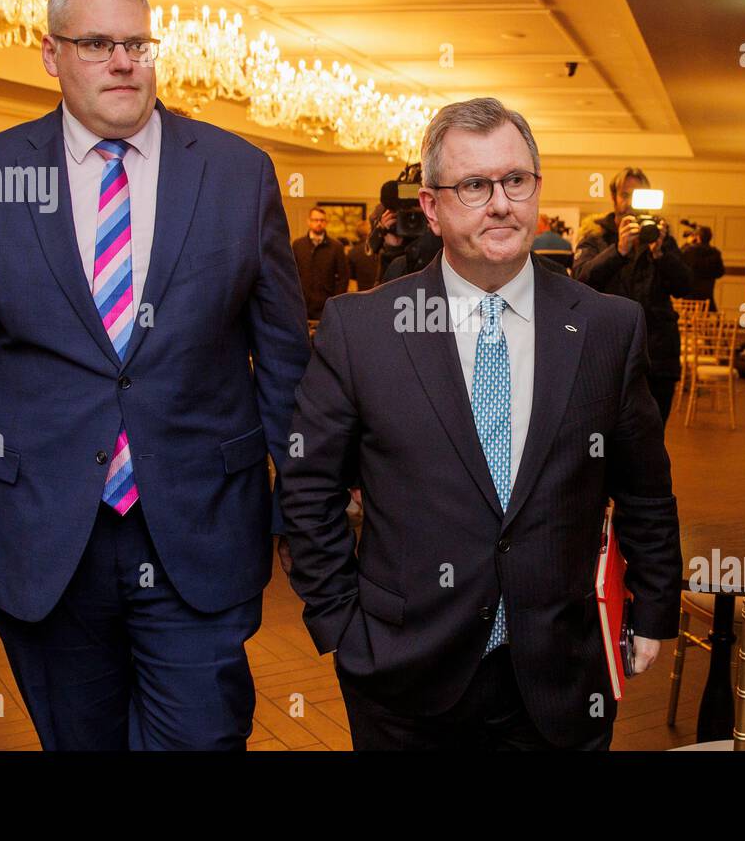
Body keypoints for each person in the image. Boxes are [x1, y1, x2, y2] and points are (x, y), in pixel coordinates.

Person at [0, 0, 311, 750]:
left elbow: (286, 364)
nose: (124, 62)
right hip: (42, 538)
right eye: (96, 43)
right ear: (51, 54)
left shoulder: (236, 172)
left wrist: (302, 515)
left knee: (202, 737)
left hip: (202, 525)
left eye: (137, 43)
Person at [278, 98, 683, 750]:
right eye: (474, 185)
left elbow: (643, 489)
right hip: (405, 680)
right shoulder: (364, 329)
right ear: (432, 209)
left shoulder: (607, 327)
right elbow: (307, 487)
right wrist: (341, 625)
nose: (500, 203)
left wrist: (657, 610)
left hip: (559, 677)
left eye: (515, 180)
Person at [573, 167, 692, 424]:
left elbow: (687, 287)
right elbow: (580, 282)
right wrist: (619, 250)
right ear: (614, 198)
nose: (629, 202)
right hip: (606, 355)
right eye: (625, 194)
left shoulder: (661, 238)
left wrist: (662, 255)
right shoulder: (595, 236)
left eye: (638, 194)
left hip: (657, 356)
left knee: (652, 441)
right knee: (605, 442)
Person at [292, 207, 349, 318]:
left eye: (322, 220)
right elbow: (292, 273)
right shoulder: (298, 245)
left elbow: (344, 276)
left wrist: (335, 300)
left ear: (326, 222)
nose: (319, 223)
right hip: (303, 303)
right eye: (315, 220)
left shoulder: (336, 247)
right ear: (308, 221)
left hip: (326, 303)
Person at [680, 224, 726, 311]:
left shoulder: (689, 251)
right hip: (707, 292)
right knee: (705, 318)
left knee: (688, 319)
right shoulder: (715, 252)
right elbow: (720, 272)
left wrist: (687, 243)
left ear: (697, 237)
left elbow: (678, 262)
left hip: (690, 294)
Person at [346, 220, 381, 291]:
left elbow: (351, 277)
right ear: (371, 232)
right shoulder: (380, 247)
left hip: (362, 291)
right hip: (381, 288)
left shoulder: (352, 252)